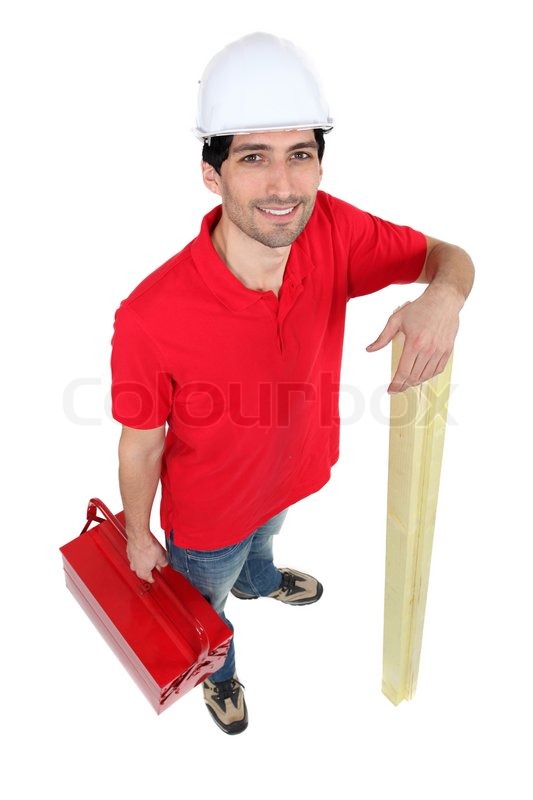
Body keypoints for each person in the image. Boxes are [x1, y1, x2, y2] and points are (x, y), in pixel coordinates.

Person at [110, 32, 474, 735]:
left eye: (299, 155)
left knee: (265, 540)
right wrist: (135, 534)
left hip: (293, 474)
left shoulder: (333, 228)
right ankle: (221, 674)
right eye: (254, 158)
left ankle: (262, 580)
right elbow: (141, 443)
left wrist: (443, 297)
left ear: (318, 163)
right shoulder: (150, 315)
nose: (282, 186)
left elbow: (446, 256)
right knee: (206, 611)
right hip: (207, 523)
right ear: (211, 173)